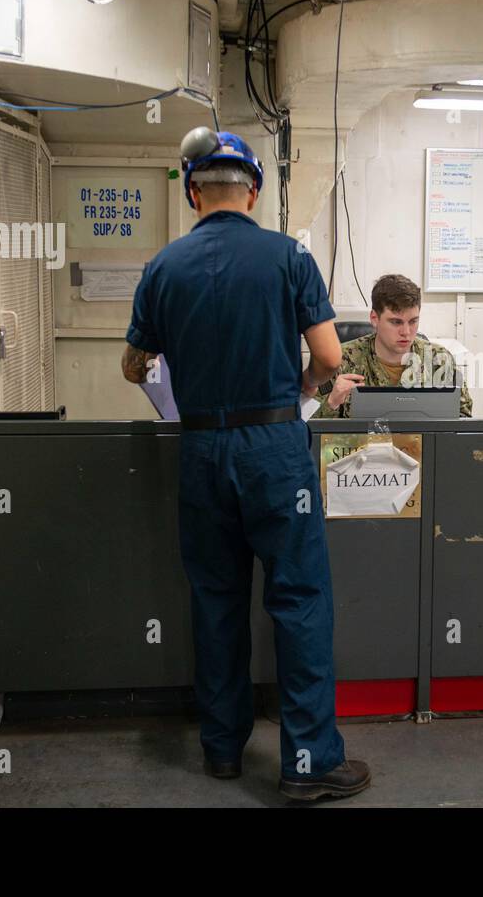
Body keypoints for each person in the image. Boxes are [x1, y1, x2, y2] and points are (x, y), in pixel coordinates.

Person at [122, 127, 370, 801]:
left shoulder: (163, 267)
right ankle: (309, 763)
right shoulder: (289, 257)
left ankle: (223, 748)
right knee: (299, 601)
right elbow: (330, 358)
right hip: (274, 452)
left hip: (201, 451)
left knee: (216, 599)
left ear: (194, 191)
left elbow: (134, 363)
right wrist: (309, 388)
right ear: (253, 192)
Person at [316, 273, 473, 418]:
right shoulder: (340, 360)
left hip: (424, 447)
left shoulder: (438, 360)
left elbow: (463, 420)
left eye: (413, 321)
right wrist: (332, 403)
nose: (406, 332)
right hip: (359, 447)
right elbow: (306, 429)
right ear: (374, 318)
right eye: (396, 322)